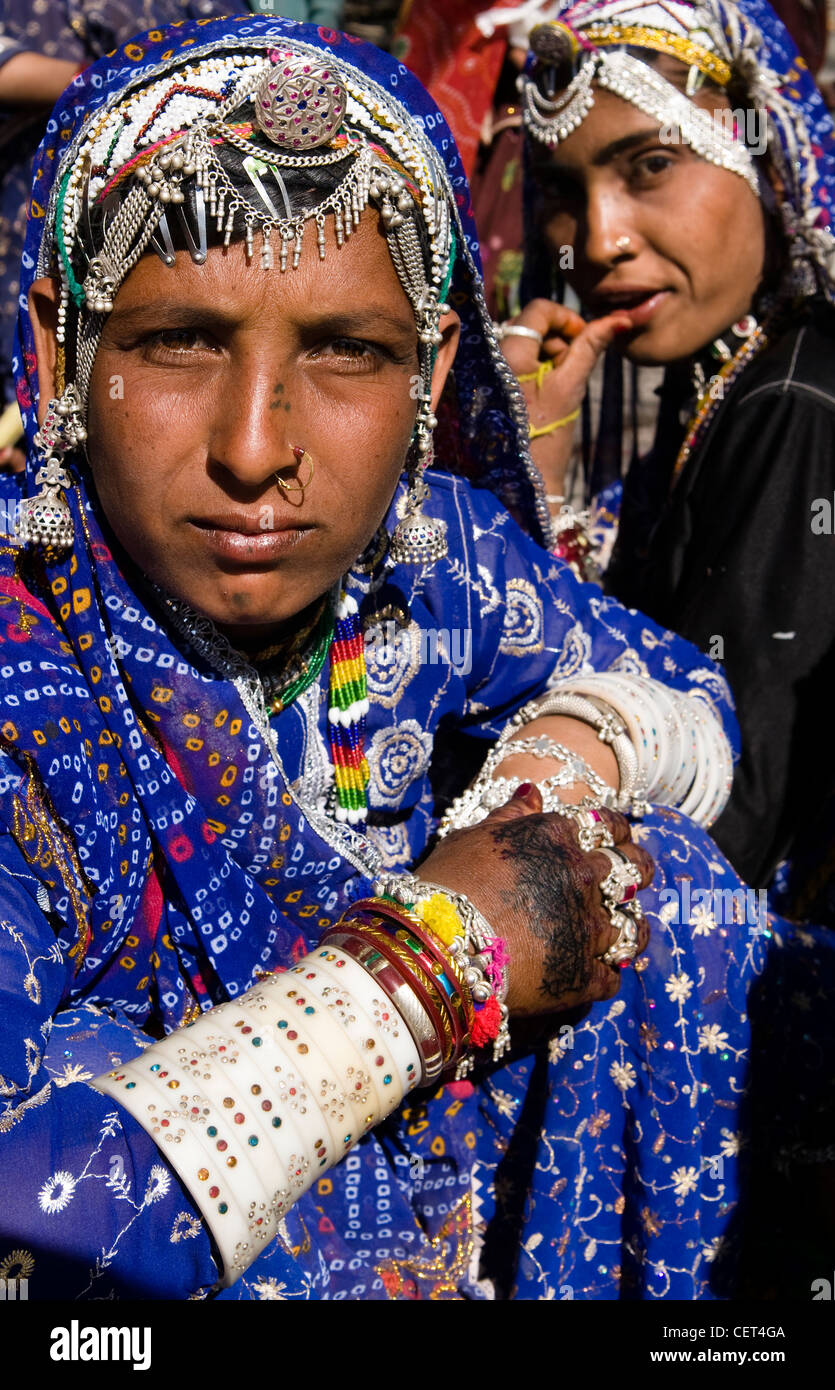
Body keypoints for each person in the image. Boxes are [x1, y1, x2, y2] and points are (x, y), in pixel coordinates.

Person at [0, 14, 829, 1303]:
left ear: (434, 368)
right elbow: (28, 1214)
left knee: (674, 893)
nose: (258, 446)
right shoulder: (23, 670)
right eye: (180, 341)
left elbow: (692, 695)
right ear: (64, 352)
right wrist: (430, 962)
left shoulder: (435, 560)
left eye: (347, 351)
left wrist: (566, 754)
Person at [504, 0, 835, 915]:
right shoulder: (732, 376)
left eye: (650, 166)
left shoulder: (791, 409)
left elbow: (727, 814)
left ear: (765, 163)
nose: (598, 239)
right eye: (563, 192)